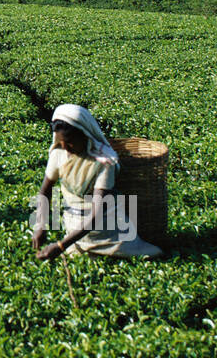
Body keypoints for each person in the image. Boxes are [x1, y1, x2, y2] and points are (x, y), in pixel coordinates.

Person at [32, 104, 164, 261]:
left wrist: (60, 246)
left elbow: (96, 214)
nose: (67, 147)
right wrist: (40, 226)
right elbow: (45, 191)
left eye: (71, 142)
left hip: (107, 233)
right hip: (75, 228)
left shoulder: (104, 161)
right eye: (62, 143)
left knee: (147, 254)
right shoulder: (59, 153)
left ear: (85, 135)